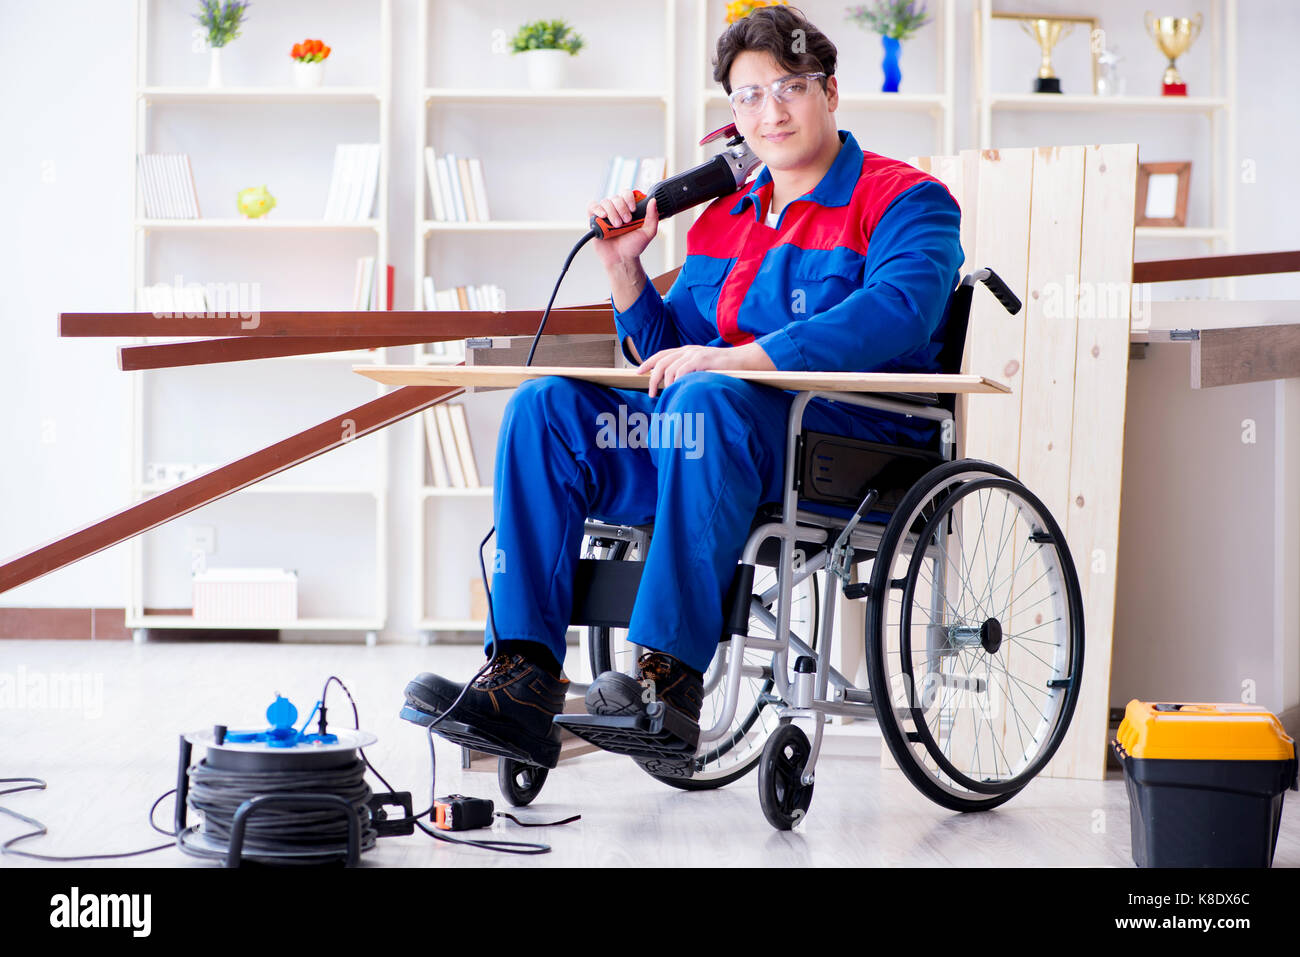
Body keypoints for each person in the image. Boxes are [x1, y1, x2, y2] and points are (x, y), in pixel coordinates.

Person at [404, 5, 964, 770]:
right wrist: (626, 270)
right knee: (545, 408)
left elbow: (898, 311)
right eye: (748, 96)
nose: (769, 111)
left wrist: (741, 360)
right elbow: (670, 360)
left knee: (706, 400)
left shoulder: (907, 199)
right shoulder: (725, 221)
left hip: (843, 444)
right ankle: (524, 681)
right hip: (709, 441)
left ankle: (666, 685)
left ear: (830, 93)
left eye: (789, 88)